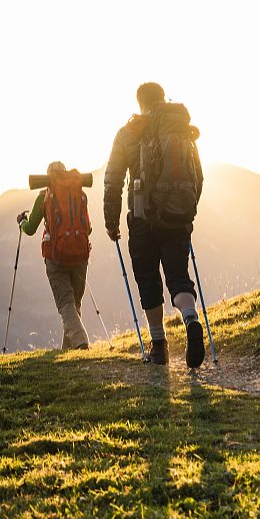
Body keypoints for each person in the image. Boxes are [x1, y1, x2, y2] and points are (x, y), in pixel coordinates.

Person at [103, 82, 205, 368]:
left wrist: (112, 222)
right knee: (178, 276)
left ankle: (159, 346)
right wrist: (187, 210)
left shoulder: (128, 133)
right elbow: (199, 175)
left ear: (140, 103)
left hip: (142, 218)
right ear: (163, 99)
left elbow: (112, 180)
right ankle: (190, 319)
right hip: (179, 215)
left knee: (148, 278)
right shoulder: (180, 127)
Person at [17, 162, 92, 350]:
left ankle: (81, 344)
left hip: (55, 257)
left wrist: (22, 223)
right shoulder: (78, 194)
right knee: (74, 304)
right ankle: (69, 351)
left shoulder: (44, 196)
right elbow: (88, 228)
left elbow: (31, 229)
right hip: (80, 256)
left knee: (66, 304)